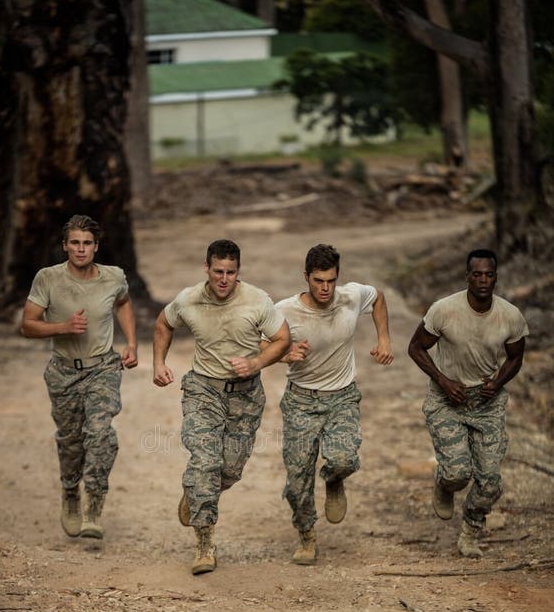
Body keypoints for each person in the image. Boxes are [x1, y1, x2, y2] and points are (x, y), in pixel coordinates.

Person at [153, 238, 290, 576]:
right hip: (203, 389)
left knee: (228, 471)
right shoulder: (189, 299)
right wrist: (158, 363)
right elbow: (163, 323)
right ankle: (204, 543)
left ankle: (195, 494)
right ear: (207, 268)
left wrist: (257, 362)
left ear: (238, 272)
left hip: (244, 395)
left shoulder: (257, 301)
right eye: (218, 272)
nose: (224, 279)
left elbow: (283, 339)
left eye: (230, 272)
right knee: (205, 461)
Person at [268, 243, 394, 565]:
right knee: (297, 481)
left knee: (343, 459)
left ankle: (335, 479)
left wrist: (384, 339)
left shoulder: (351, 296)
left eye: (331, 281)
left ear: (338, 278)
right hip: (301, 400)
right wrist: (285, 355)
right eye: (318, 281)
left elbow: (378, 297)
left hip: (342, 397)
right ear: (306, 277)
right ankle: (307, 535)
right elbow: (260, 345)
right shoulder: (285, 310)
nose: (325, 288)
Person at [21, 214, 138, 540]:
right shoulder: (48, 278)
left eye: (87, 243)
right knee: (71, 441)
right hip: (63, 372)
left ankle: (94, 505)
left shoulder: (113, 277)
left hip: (103, 368)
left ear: (96, 247)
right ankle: (70, 491)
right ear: (65, 246)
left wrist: (131, 342)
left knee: (100, 434)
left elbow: (124, 304)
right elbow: (27, 324)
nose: (81, 249)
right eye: (75, 243)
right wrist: (62, 327)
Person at [407, 248, 528, 558]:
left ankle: (471, 530)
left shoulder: (509, 315)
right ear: (467, 277)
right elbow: (416, 348)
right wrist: (442, 380)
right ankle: (445, 484)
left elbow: (515, 357)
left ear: (496, 277)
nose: (483, 280)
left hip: (486, 402)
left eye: (489, 274)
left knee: (490, 482)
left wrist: (498, 382)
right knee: (458, 472)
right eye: (477, 274)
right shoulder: (444, 310)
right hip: (447, 399)